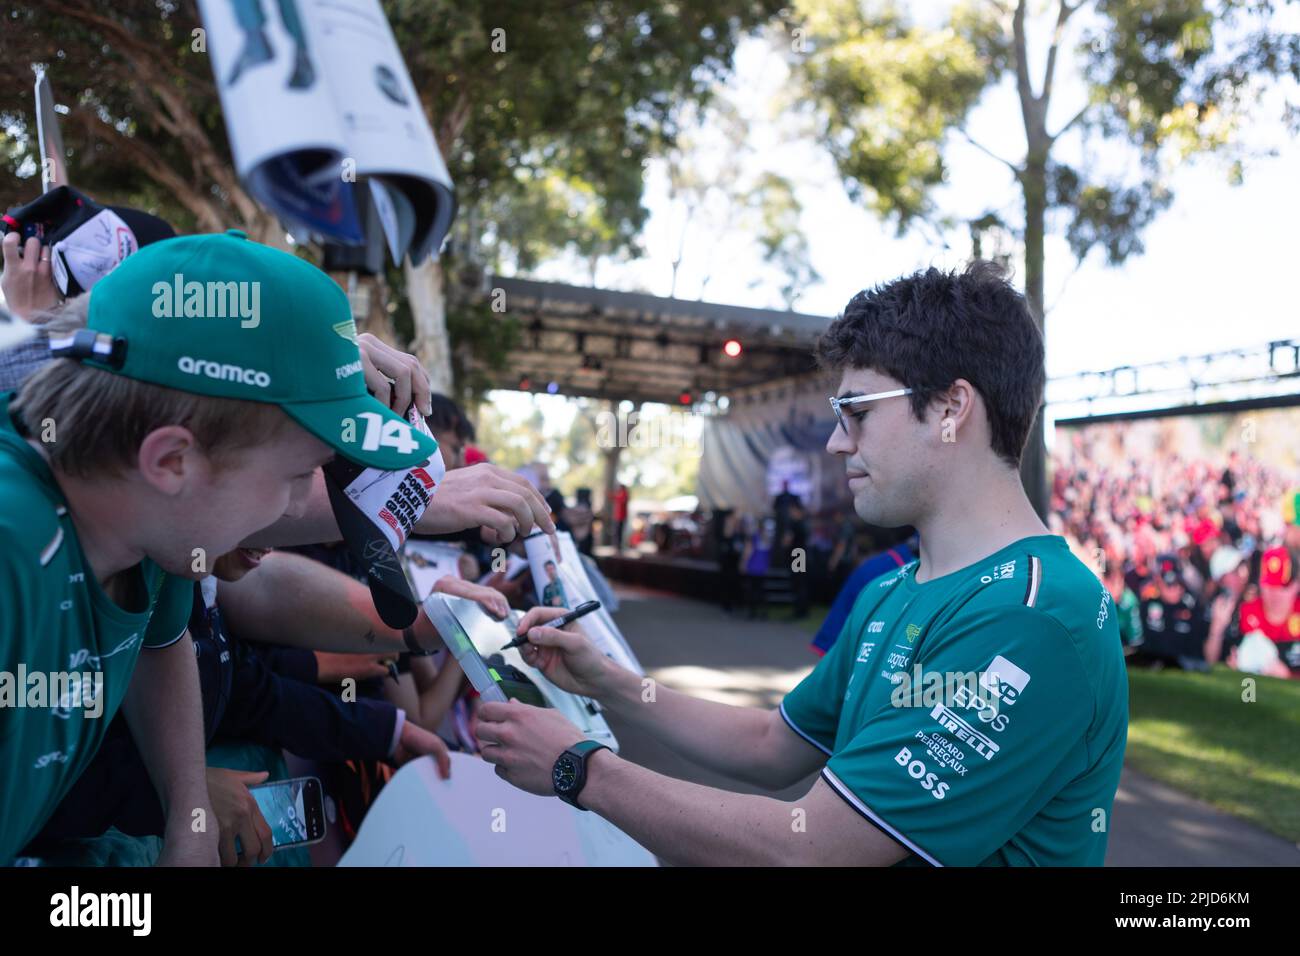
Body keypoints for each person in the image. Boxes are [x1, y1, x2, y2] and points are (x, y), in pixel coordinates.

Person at [472, 261, 1128, 866]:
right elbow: (770, 744)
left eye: (858, 412)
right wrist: (609, 681)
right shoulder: (893, 588)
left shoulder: (1033, 616)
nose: (839, 442)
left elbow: (810, 849)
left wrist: (580, 769)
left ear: (952, 409)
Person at [0, 230, 554, 865]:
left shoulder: (155, 531)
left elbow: (161, 640)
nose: (298, 507)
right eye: (298, 477)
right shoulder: (15, 553)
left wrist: (188, 818)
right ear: (173, 459)